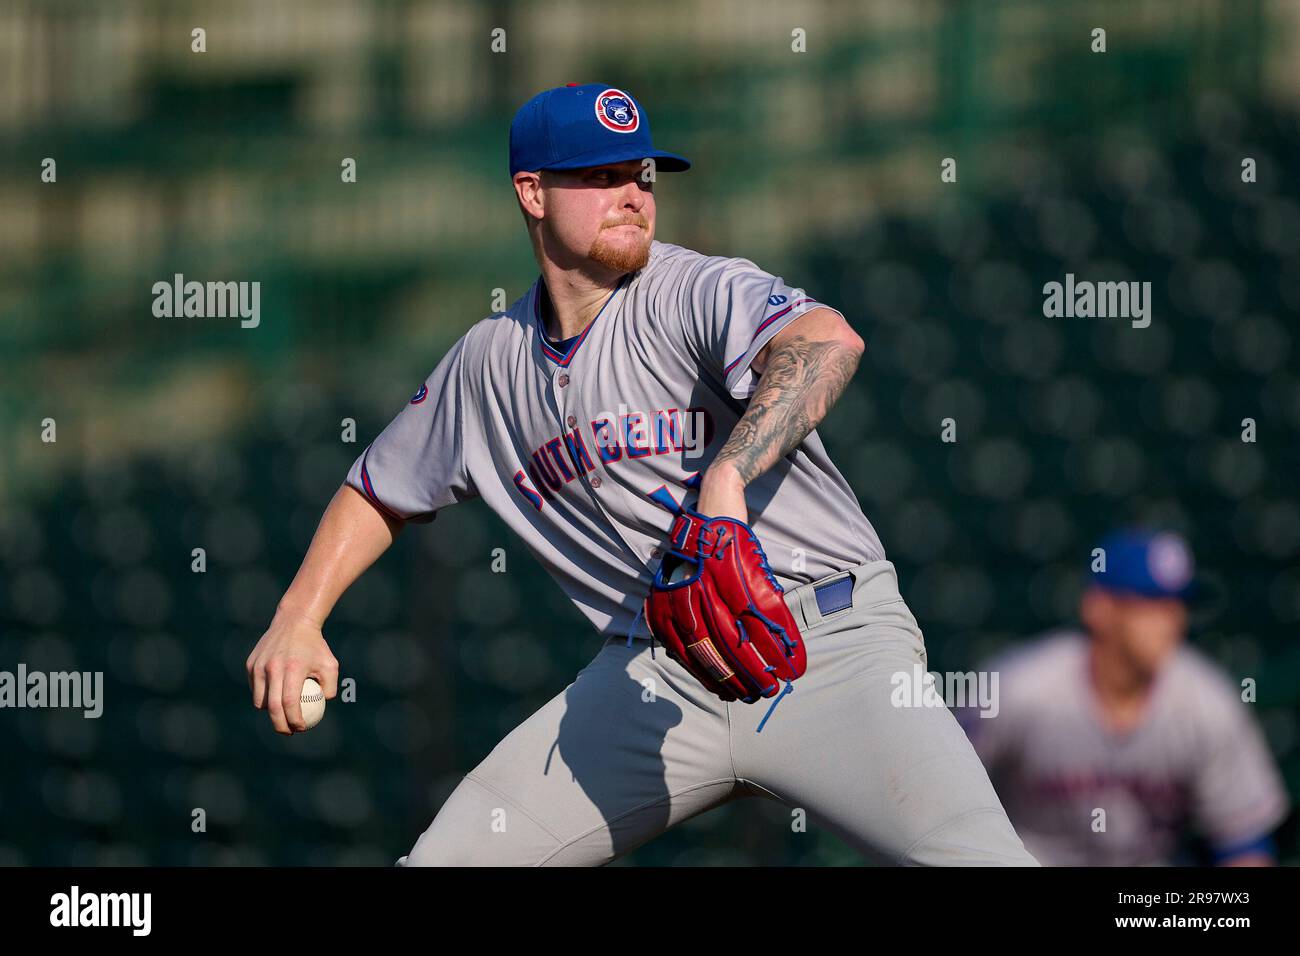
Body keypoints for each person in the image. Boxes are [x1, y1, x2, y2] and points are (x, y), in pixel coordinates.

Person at [246, 83, 1037, 866]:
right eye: (600, 177)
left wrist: (725, 481)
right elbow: (375, 490)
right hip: (649, 674)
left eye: (644, 176)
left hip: (825, 646)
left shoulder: (690, 289)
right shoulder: (486, 363)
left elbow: (829, 342)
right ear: (531, 192)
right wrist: (299, 616)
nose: (633, 195)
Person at [959, 529, 1290, 866]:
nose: (1171, 621)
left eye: (1178, 605)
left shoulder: (1207, 702)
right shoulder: (1020, 691)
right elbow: (944, 801)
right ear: (1098, 608)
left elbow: (1243, 843)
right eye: (1150, 603)